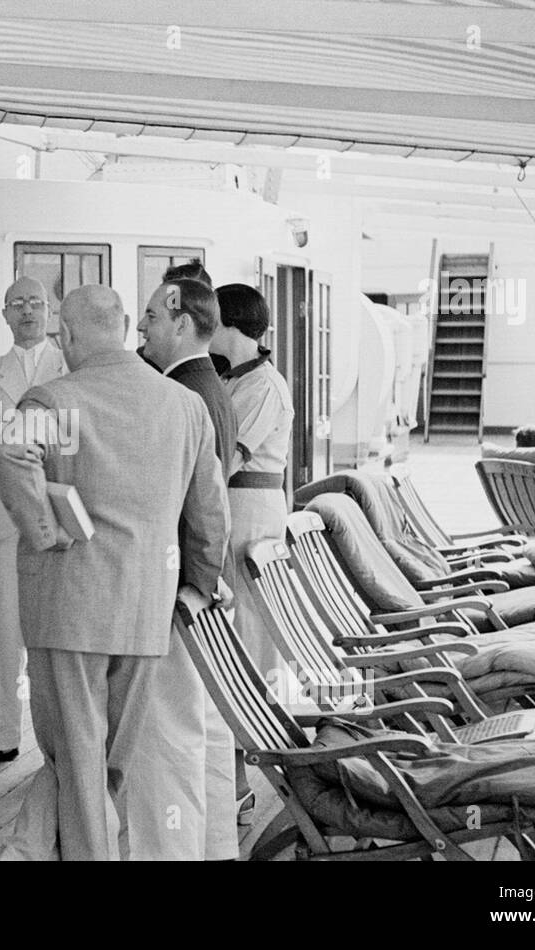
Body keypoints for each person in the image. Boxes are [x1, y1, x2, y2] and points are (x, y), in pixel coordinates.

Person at [0, 284, 229, 860]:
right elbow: (210, 510)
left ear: (67, 335)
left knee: (76, 759)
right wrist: (197, 586)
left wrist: (44, 531)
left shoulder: (49, 401)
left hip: (67, 610)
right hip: (146, 611)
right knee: (109, 764)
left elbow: (8, 456)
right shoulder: (184, 404)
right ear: (125, 328)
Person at [138, 277, 240, 861]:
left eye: (151, 315)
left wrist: (191, 586)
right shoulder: (210, 386)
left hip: (178, 590)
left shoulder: (183, 395)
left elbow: (198, 508)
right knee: (202, 727)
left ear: (181, 323)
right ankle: (217, 846)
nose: (143, 326)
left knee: (169, 738)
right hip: (200, 585)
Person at [0, 276, 67, 771]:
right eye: (17, 303)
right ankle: (3, 735)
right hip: (4, 512)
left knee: (58, 626)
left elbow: (74, 430)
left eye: (36, 303)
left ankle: (62, 741)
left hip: (57, 511)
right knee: (6, 629)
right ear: (4, 314)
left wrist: (4, 438)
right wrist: (16, 438)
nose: (27, 311)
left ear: (50, 312)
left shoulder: (69, 366)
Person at [209, 282, 294, 825]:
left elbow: (226, 458)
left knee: (245, 646)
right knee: (233, 640)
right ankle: (230, 778)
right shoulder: (232, 379)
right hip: (234, 514)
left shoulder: (264, 385)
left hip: (250, 515)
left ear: (231, 323)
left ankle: (241, 781)